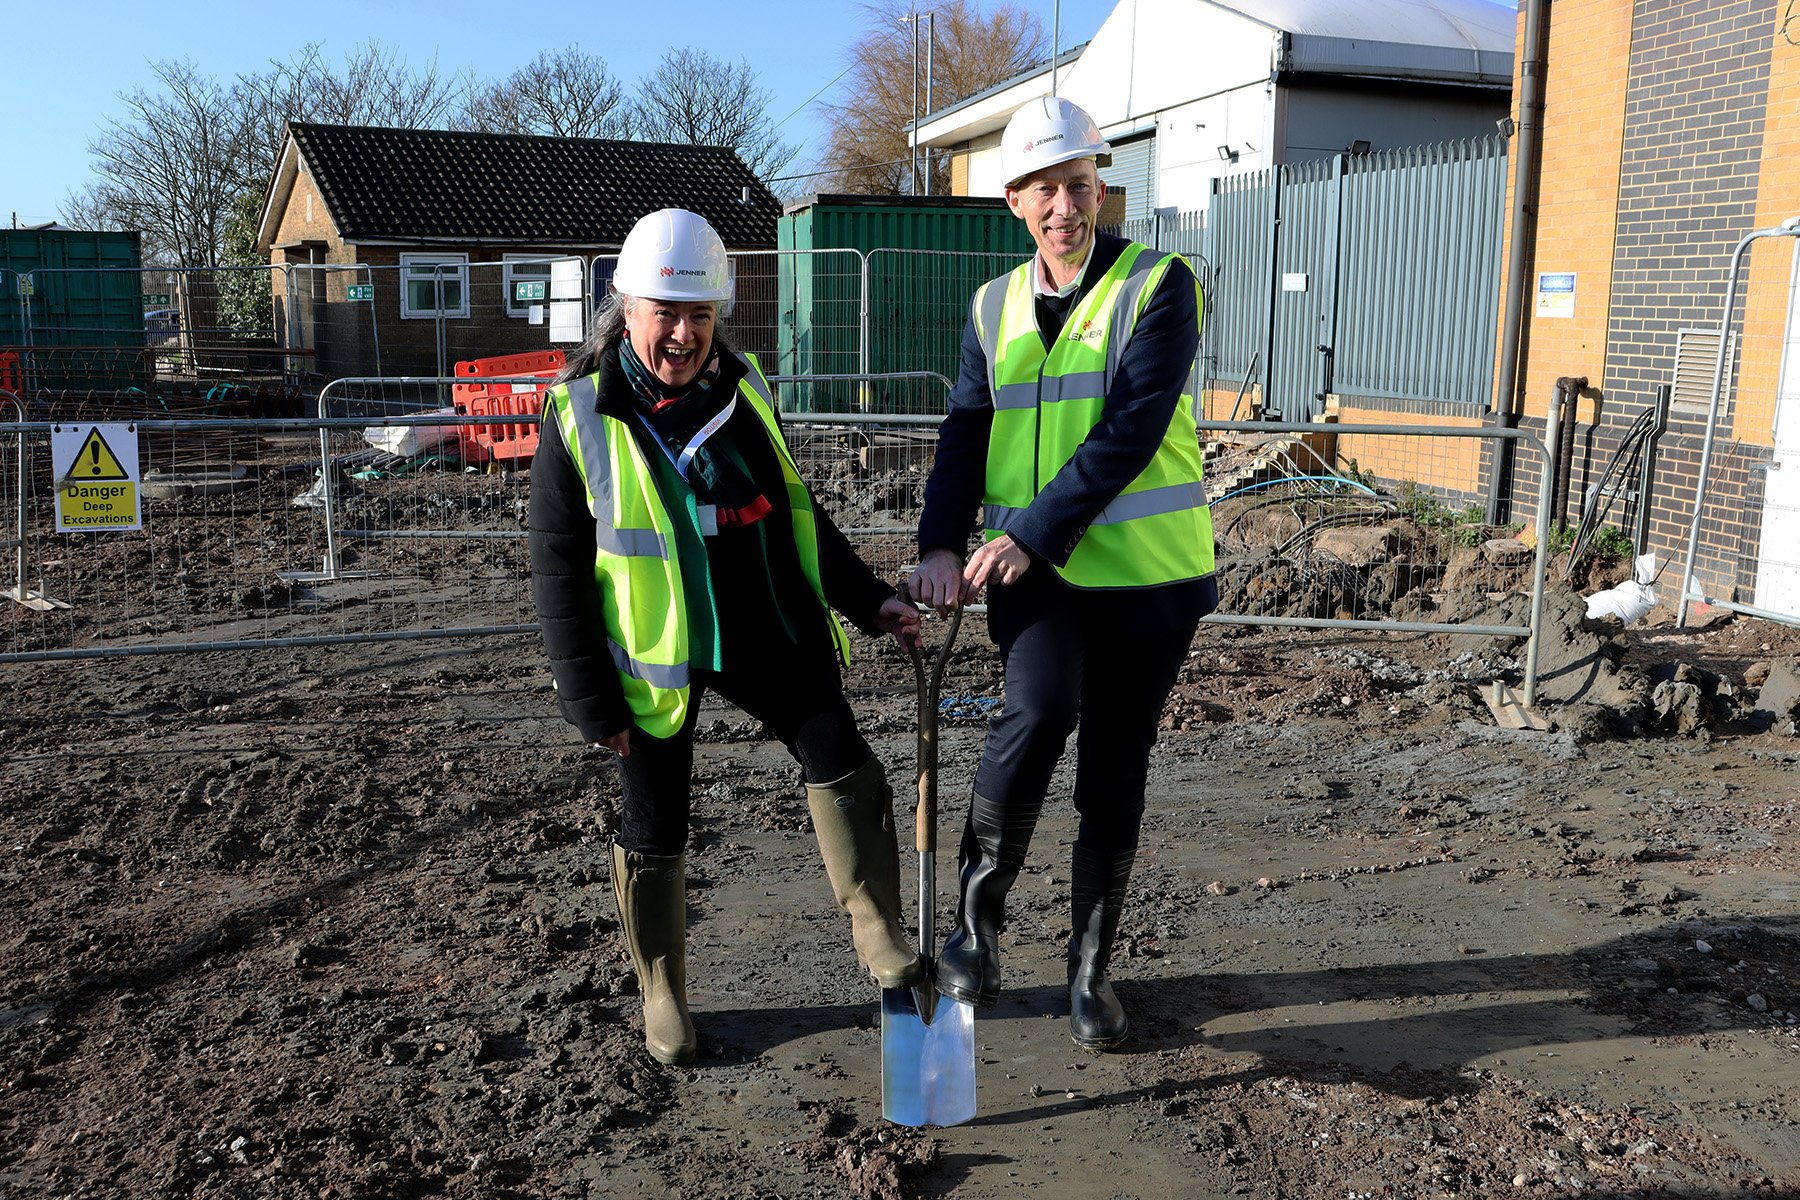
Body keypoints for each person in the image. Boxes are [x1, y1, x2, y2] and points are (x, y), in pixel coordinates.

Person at [529, 208, 924, 1066]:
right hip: (655, 650)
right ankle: (662, 991)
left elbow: (799, 512)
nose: (682, 335)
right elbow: (557, 573)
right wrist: (587, 695)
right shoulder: (576, 417)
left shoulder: (743, 390)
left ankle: (879, 932)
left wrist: (870, 600)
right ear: (625, 310)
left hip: (762, 622)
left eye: (699, 317)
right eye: (665, 315)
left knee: (837, 747)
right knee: (654, 811)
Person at [907, 97, 1217, 1051]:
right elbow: (967, 431)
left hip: (1149, 580)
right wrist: (938, 542)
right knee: (1036, 710)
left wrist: (1032, 531)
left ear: (1100, 189)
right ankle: (974, 928)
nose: (1064, 208)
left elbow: (1129, 431)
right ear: (1013, 200)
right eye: (1045, 189)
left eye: (1079, 187)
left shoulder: (1162, 285)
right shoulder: (992, 305)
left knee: (1116, 765)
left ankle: (1090, 968)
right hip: (1034, 576)